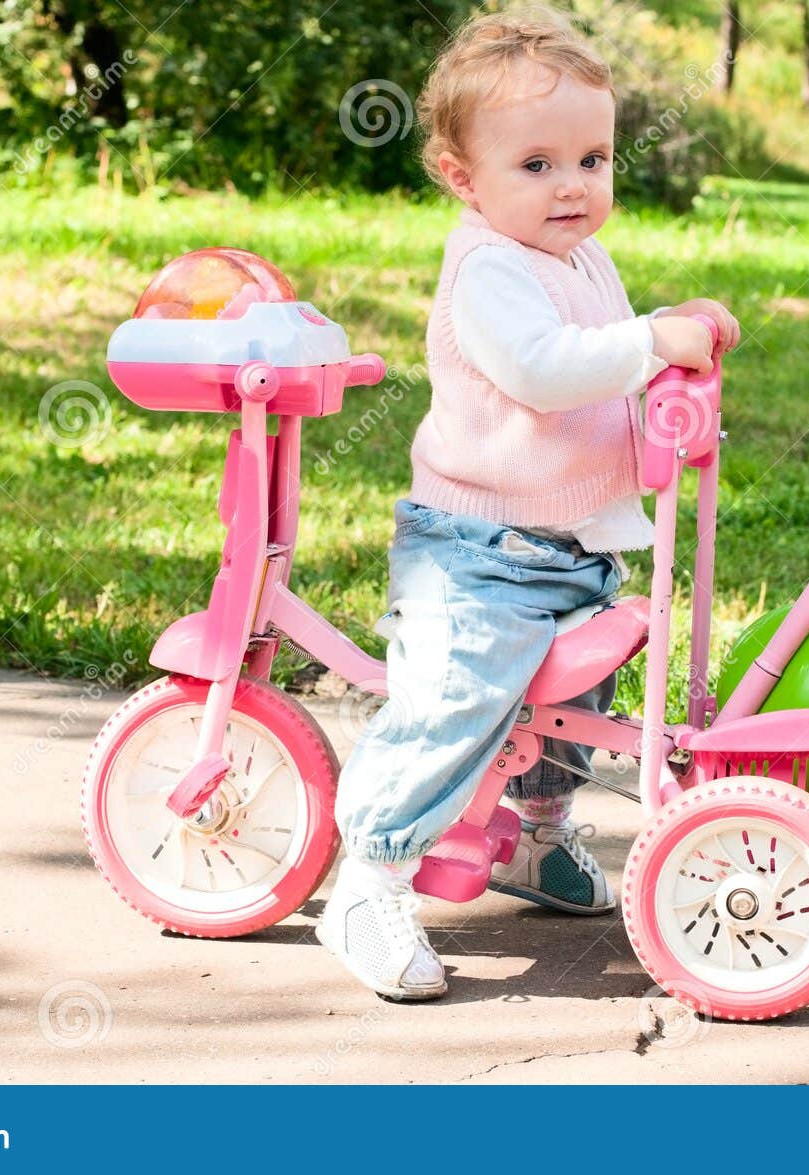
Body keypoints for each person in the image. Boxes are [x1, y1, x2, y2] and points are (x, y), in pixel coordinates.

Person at [316, 6, 740, 1000]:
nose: (574, 186)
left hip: (568, 542)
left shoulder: (579, 254)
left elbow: (611, 347)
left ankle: (534, 833)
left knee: (566, 710)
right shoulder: (490, 271)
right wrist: (649, 341)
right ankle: (370, 872)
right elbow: (548, 370)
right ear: (463, 178)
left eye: (592, 159)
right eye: (538, 165)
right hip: (477, 550)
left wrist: (667, 337)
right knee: (456, 702)